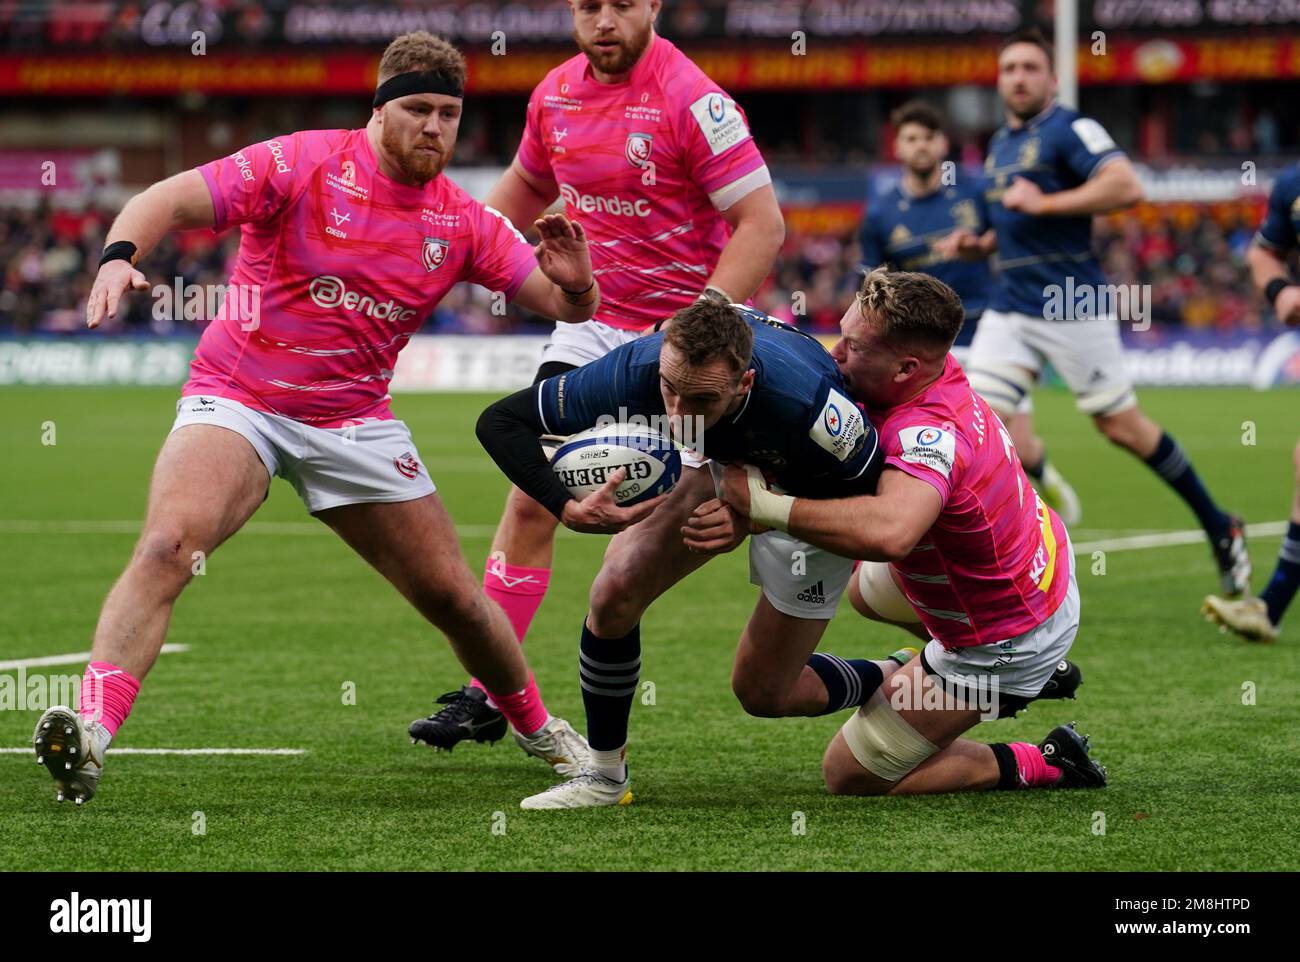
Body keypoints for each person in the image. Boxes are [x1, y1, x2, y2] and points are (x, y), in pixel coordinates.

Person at [31, 31, 603, 805]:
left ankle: (538, 728)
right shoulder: (300, 162)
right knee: (170, 544)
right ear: (378, 109)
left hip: (355, 422)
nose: (436, 128)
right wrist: (118, 255)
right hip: (242, 398)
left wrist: (578, 289)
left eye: (450, 113)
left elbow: (560, 300)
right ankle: (91, 734)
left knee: (456, 601)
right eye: (419, 109)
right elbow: (162, 198)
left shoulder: (463, 221)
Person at [411, 0, 783, 751]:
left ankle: (955, 645)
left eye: (620, 4)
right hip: (592, 327)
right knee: (530, 500)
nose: (603, 19)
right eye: (588, 6)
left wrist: (700, 326)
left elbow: (762, 224)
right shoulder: (553, 94)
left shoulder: (696, 101)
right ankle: (490, 692)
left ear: (652, 7)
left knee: (670, 534)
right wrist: (438, 252)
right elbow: (518, 192)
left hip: (685, 342)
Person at [719, 268, 1106, 796]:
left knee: (851, 774)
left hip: (1004, 636)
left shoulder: (929, 430)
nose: (837, 355)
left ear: (906, 367)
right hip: (1034, 565)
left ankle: (1046, 759)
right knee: (865, 592)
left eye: (854, 347)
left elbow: (893, 533)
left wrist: (765, 505)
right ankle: (916, 677)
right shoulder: (930, 370)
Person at [936, 28, 1249, 597]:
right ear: (998, 80)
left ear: (1052, 79)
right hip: (1010, 308)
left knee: (1120, 428)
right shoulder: (1000, 146)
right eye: (1010, 69)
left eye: (1031, 67)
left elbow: (1126, 185)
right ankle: (1012, 561)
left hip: (1072, 304)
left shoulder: (1069, 128)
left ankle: (1218, 523)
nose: (1019, 77)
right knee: (975, 425)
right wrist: (977, 243)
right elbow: (1011, 225)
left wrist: (1048, 201)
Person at [864, 99, 1080, 524]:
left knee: (1015, 439)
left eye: (928, 137)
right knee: (945, 434)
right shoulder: (880, 213)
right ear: (899, 147)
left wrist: (977, 247)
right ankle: (958, 511)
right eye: (910, 138)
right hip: (924, 345)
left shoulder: (973, 191)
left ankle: (1043, 472)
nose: (920, 146)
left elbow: (1007, 235)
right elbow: (871, 283)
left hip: (985, 330)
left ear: (942, 143)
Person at [1201, 162, 1300, 641]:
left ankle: (1269, 608)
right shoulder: (1291, 184)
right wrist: (1280, 290)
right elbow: (1264, 253)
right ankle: (1269, 608)